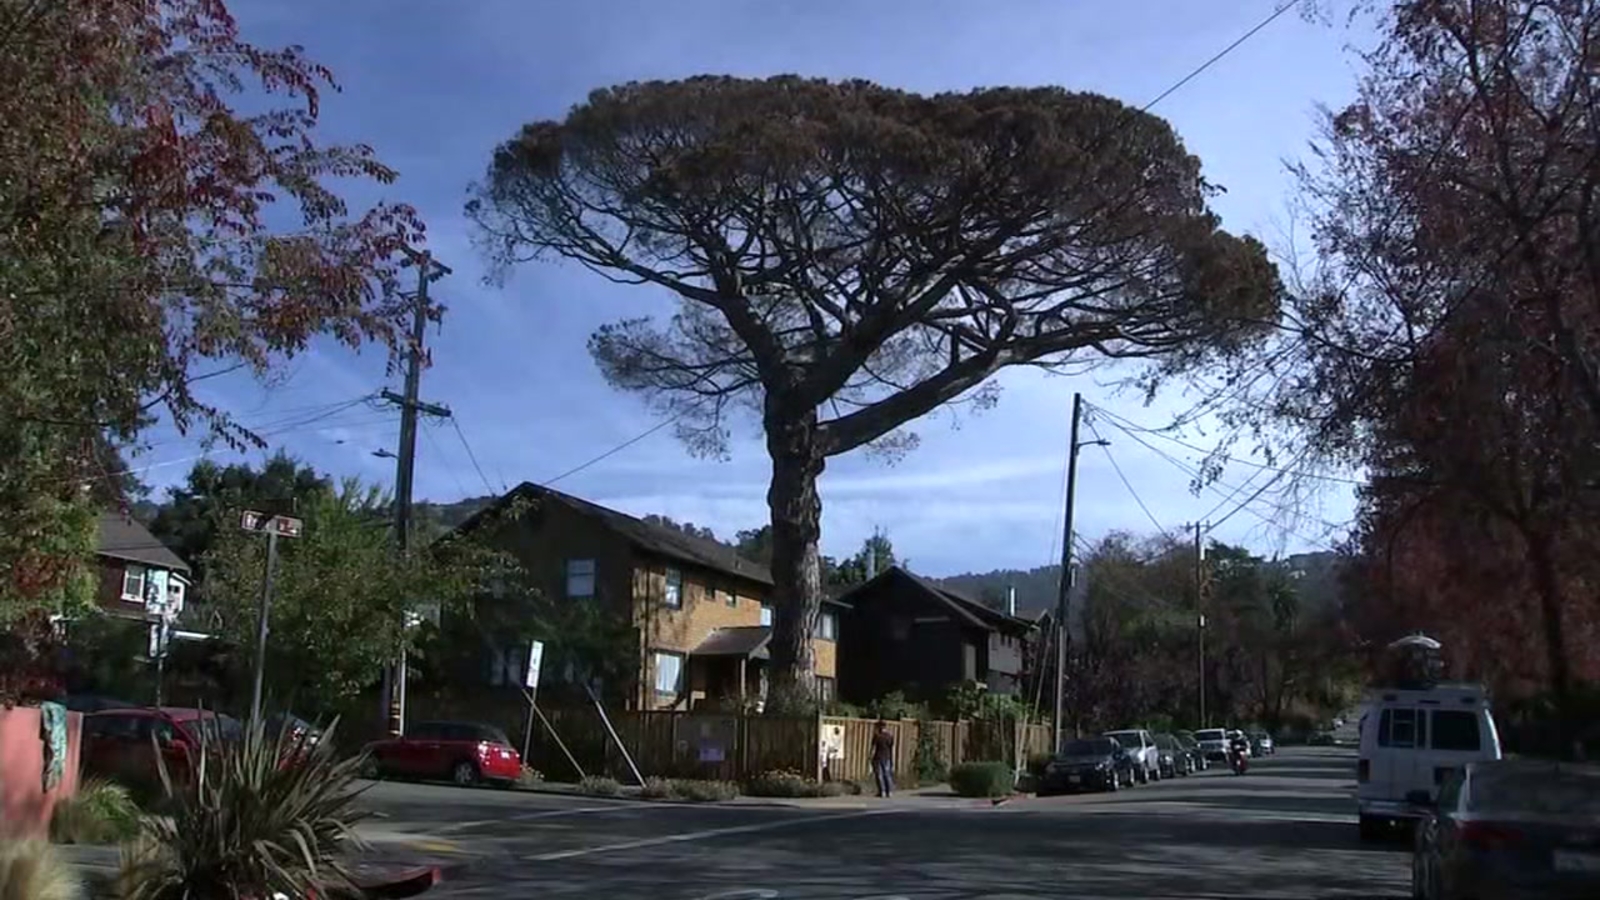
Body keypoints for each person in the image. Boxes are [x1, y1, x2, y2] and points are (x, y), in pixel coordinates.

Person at [870, 719, 896, 798]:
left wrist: (870, 755)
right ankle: (889, 791)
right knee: (887, 774)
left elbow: (873, 747)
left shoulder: (877, 736)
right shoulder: (889, 736)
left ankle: (882, 791)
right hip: (887, 757)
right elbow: (891, 748)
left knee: (879, 775)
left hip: (878, 757)